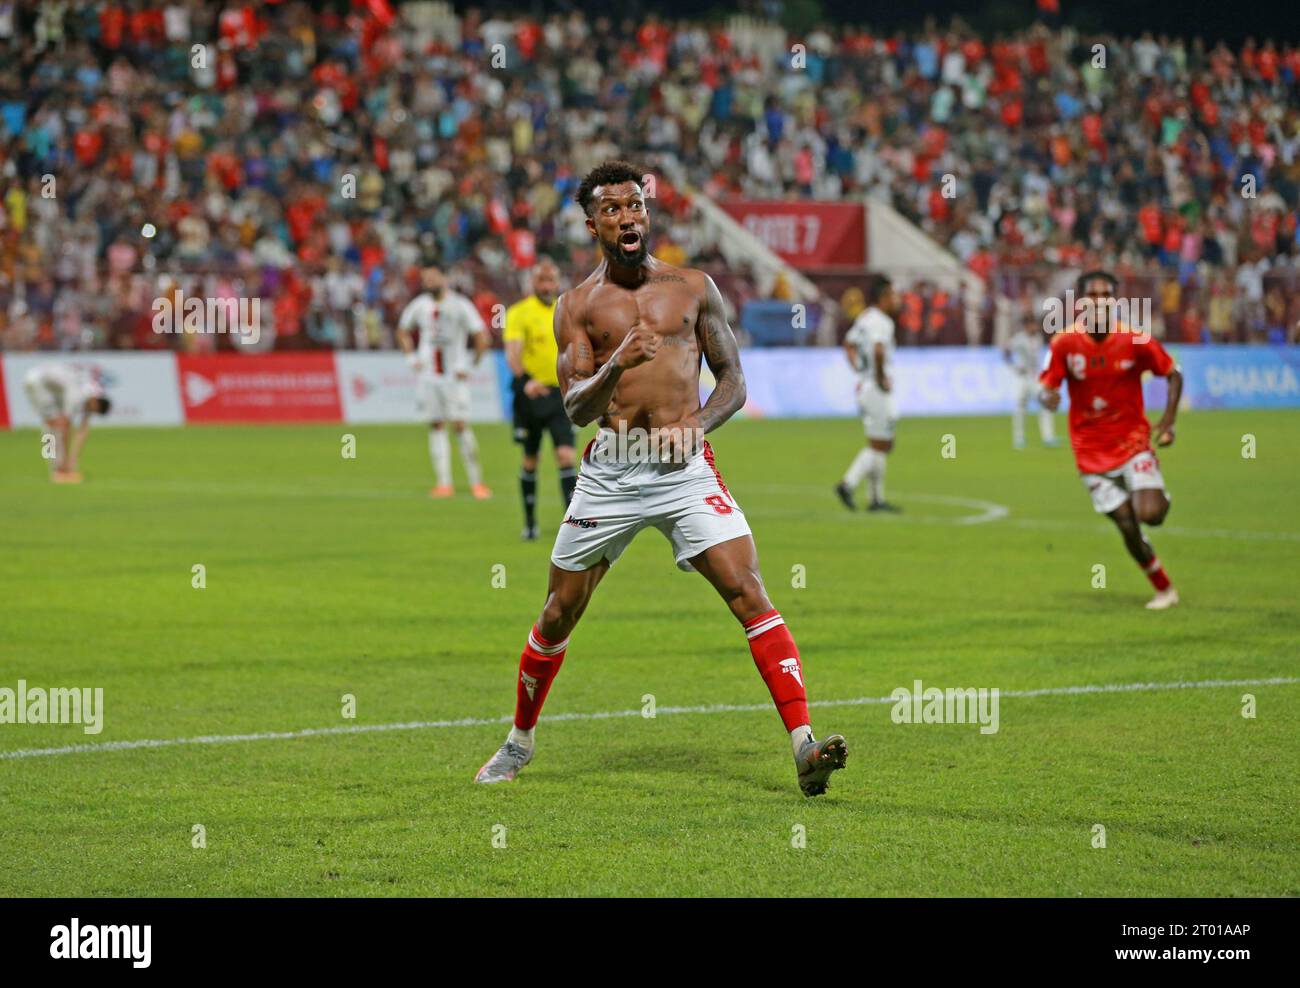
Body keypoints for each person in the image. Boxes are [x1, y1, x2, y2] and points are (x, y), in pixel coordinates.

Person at [474, 161, 848, 797]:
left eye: (637, 205)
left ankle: (804, 746)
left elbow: (732, 379)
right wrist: (618, 362)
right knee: (561, 611)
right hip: (613, 473)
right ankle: (519, 740)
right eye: (613, 208)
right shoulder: (576, 306)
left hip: (682, 467)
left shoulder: (695, 287)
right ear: (592, 224)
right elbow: (575, 408)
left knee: (749, 591)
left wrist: (699, 424)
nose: (629, 217)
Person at [1039, 270, 1183, 609]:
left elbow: (1173, 374)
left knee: (1150, 515)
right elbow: (1046, 388)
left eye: (1106, 296)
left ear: (1115, 302)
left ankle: (1156, 496)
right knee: (1127, 527)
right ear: (1080, 302)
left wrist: (1168, 420)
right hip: (1090, 454)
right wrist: (1048, 399)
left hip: (1132, 443)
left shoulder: (1134, 339)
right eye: (1093, 296)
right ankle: (1164, 588)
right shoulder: (1063, 343)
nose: (1100, 302)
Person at [396, 264, 492, 499]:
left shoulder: (460, 304)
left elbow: (482, 337)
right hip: (429, 377)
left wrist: (470, 365)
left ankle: (477, 482)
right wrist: (410, 357)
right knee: (436, 425)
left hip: (453, 377)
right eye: (425, 278)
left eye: (433, 277)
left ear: (444, 278)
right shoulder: (419, 305)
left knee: (460, 425)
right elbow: (402, 330)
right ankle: (443, 484)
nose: (429, 282)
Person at [504, 257, 578, 540]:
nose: (547, 285)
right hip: (531, 398)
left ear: (557, 282)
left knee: (565, 456)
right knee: (530, 459)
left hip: (561, 396)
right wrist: (526, 381)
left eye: (551, 280)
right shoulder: (519, 312)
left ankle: (572, 527)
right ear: (532, 283)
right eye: (541, 280)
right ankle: (530, 524)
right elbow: (513, 352)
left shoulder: (566, 311)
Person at [836, 276, 901, 512]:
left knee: (882, 443)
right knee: (880, 444)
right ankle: (848, 484)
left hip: (865, 385)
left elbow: (848, 344)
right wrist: (880, 376)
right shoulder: (882, 322)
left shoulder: (864, 318)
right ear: (884, 297)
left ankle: (876, 499)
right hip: (876, 388)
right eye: (894, 295)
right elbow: (878, 349)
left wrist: (858, 369)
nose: (897, 300)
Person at [23, 362, 111, 483]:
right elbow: (65, 426)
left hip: (52, 388)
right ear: (95, 401)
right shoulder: (76, 396)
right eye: (94, 410)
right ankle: (57, 469)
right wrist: (66, 460)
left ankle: (58, 467)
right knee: (53, 424)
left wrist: (73, 460)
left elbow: (83, 430)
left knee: (53, 424)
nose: (91, 412)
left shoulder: (90, 395)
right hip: (38, 383)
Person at [1005, 317, 1059, 449]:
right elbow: (1006, 351)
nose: (1035, 327)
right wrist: (1014, 366)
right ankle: (1019, 438)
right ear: (1026, 326)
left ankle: (1048, 437)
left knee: (1045, 405)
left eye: (1035, 325)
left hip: (1035, 377)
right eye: (1033, 325)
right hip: (1022, 377)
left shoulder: (1038, 338)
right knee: (1020, 407)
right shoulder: (1019, 339)